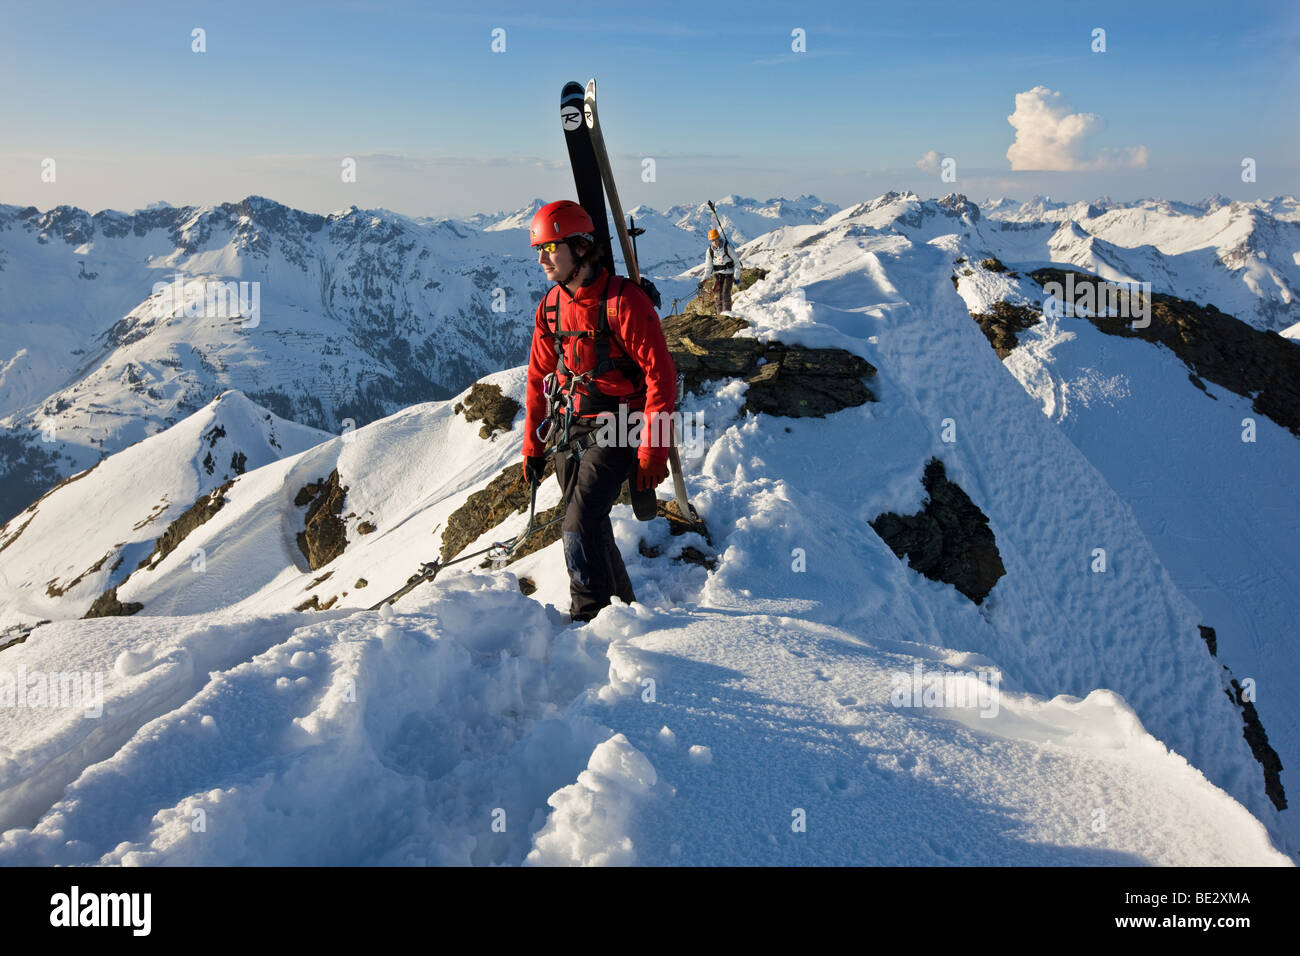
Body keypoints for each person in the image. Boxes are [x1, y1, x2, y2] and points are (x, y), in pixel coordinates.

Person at [520, 200, 678, 623]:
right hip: (572, 425)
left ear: (581, 247)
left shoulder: (623, 303)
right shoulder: (550, 307)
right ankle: (623, 611)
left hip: (621, 423)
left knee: (577, 525)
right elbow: (537, 380)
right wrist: (531, 447)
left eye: (550, 248)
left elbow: (662, 378)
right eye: (539, 249)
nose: (541, 258)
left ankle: (588, 621)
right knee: (591, 524)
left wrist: (653, 452)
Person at [702, 228, 741, 313]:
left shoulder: (727, 247)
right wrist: (703, 281)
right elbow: (708, 268)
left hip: (728, 274)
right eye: (712, 240)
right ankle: (720, 316)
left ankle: (727, 315)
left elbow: (737, 263)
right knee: (718, 296)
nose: (715, 242)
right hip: (717, 275)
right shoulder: (709, 251)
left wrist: (736, 277)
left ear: (719, 238)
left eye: (716, 239)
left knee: (725, 294)